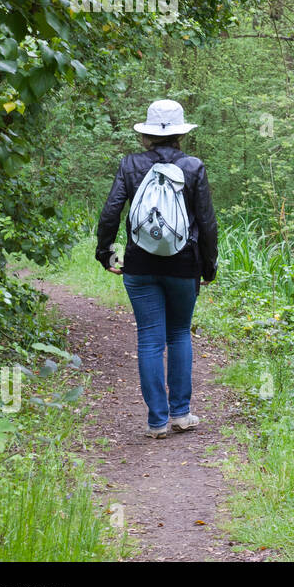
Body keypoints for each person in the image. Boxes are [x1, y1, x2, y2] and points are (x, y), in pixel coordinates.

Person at [95, 99, 218, 439]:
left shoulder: (131, 165)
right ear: (181, 133)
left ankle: (156, 422)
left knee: (149, 339)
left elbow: (111, 213)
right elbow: (207, 224)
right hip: (183, 265)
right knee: (179, 334)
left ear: (147, 135)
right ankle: (181, 414)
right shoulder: (193, 167)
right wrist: (209, 267)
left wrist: (106, 253)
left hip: (140, 264)